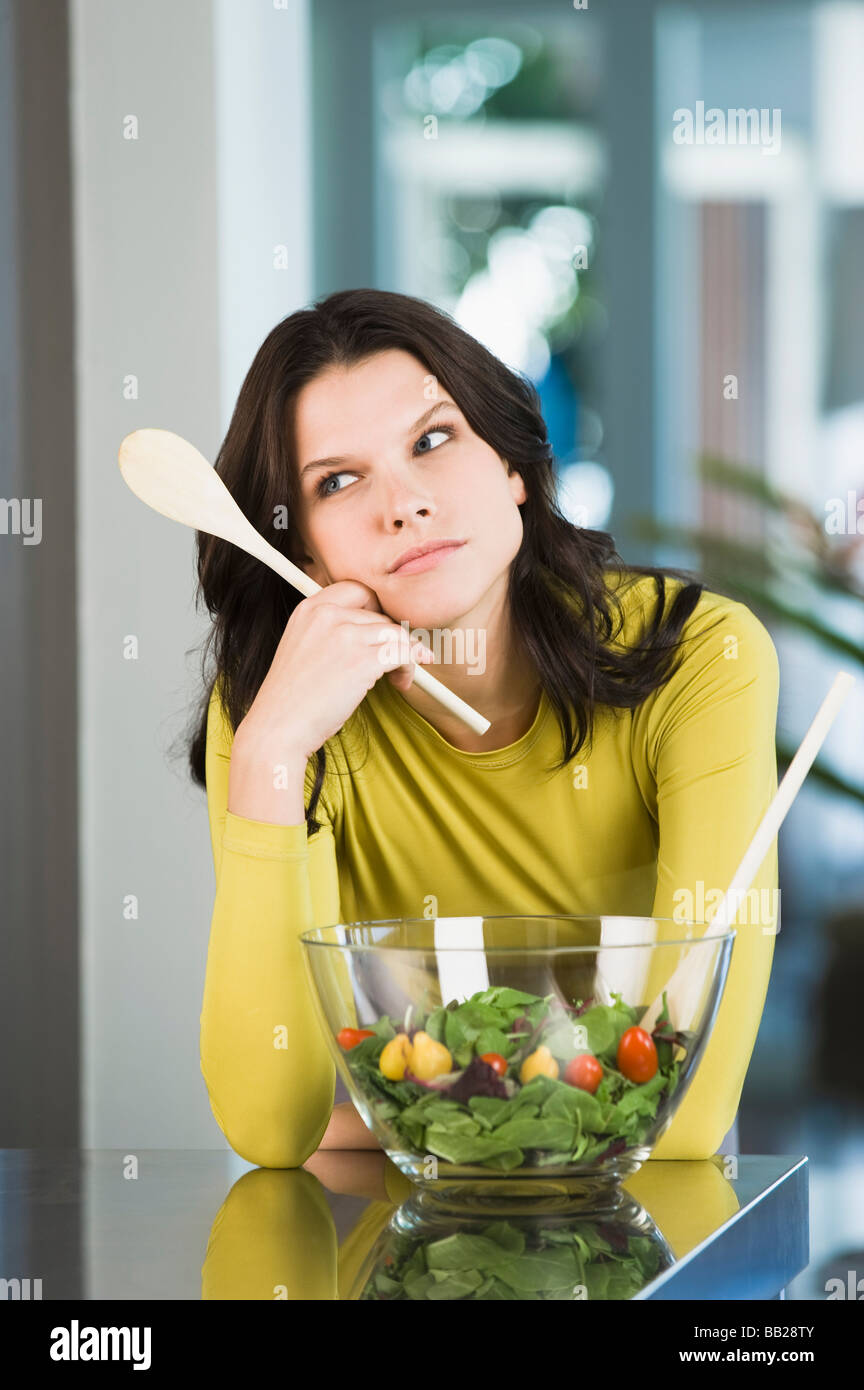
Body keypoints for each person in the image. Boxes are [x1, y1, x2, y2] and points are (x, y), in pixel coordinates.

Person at [189, 288, 779, 1169]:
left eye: (432, 440)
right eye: (337, 481)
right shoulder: (276, 709)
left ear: (510, 465)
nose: (405, 504)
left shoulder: (698, 657)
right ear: (303, 549)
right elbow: (277, 1128)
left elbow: (682, 1117)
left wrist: (395, 1112)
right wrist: (272, 750)